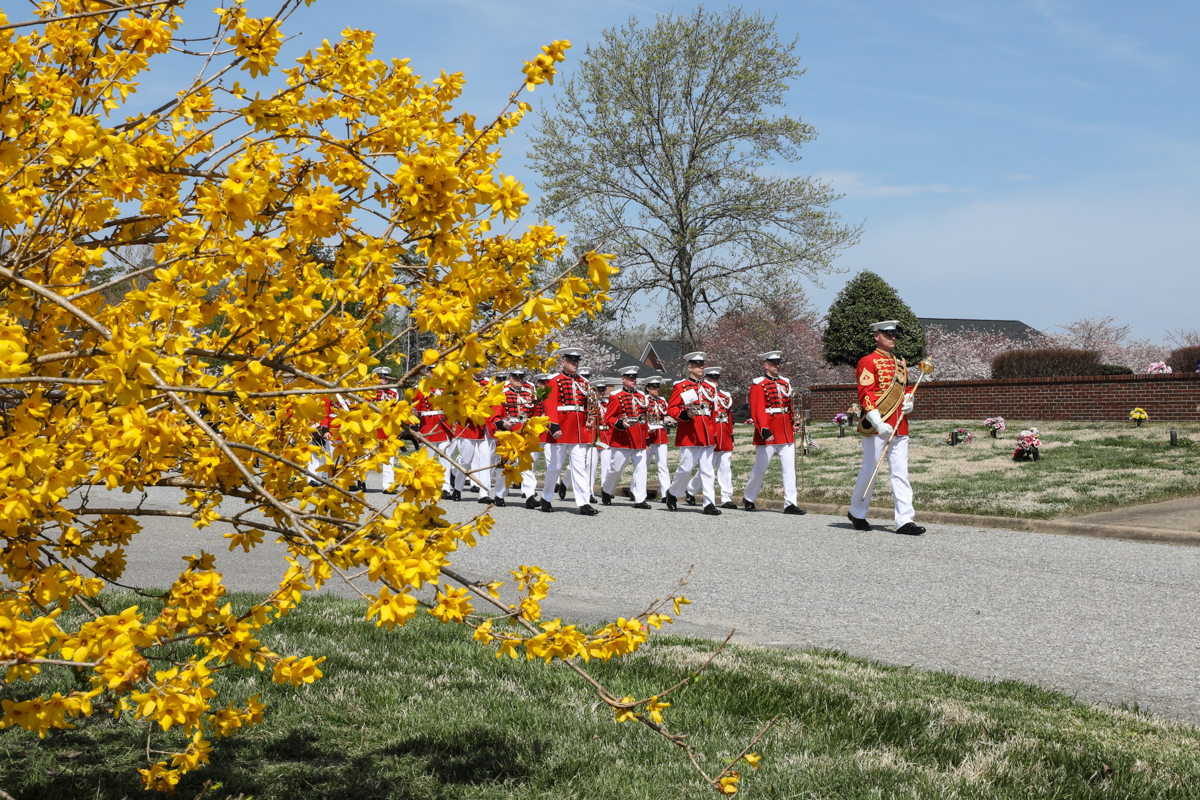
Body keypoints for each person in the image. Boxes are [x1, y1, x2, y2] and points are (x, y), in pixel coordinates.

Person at [847, 320, 925, 536]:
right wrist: (877, 422)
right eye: (887, 334)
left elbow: (907, 387)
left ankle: (904, 520)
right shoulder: (867, 361)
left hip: (900, 424)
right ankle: (857, 511)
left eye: (894, 334)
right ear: (876, 336)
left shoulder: (901, 362)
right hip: (876, 426)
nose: (892, 337)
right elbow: (866, 393)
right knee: (870, 470)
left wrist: (909, 400)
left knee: (901, 473)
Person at [742, 351, 805, 515]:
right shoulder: (758, 384)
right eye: (774, 363)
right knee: (761, 467)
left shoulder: (785, 383)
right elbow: (757, 409)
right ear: (766, 365)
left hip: (785, 431)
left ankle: (790, 503)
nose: (777, 366)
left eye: (778, 363)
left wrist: (793, 422)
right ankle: (749, 497)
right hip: (768, 430)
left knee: (789, 468)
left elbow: (788, 407)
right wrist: (764, 429)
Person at [539, 349, 599, 515]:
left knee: (580, 467)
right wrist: (553, 425)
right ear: (563, 362)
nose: (575, 363)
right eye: (572, 360)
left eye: (577, 360)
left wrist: (589, 417)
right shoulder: (555, 380)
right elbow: (549, 404)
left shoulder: (584, 383)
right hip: (561, 426)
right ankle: (546, 498)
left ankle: (583, 502)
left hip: (578, 429)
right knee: (555, 467)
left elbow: (588, 404)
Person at [665, 351, 720, 515]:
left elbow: (714, 412)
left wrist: (714, 433)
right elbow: (671, 408)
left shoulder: (709, 388)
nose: (701, 367)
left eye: (702, 365)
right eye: (697, 365)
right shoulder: (681, 386)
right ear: (690, 367)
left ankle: (709, 503)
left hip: (707, 434)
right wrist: (685, 415)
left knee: (708, 470)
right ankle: (673, 493)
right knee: (686, 467)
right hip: (690, 433)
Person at [601, 366, 651, 508]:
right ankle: (606, 490)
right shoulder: (616, 396)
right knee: (616, 469)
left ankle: (640, 499)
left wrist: (647, 439)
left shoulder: (641, 396)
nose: (633, 380)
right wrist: (620, 423)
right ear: (623, 379)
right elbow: (608, 418)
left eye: (634, 377)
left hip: (639, 439)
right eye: (630, 377)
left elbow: (644, 419)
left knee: (641, 470)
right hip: (623, 438)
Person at [687, 367, 736, 509]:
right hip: (710, 435)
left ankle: (726, 497)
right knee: (707, 468)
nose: (715, 381)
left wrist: (731, 435)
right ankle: (691, 490)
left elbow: (729, 416)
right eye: (711, 378)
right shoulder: (700, 393)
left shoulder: (725, 396)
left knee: (725, 468)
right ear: (705, 379)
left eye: (717, 378)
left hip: (724, 435)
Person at [490, 368, 538, 507]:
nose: (519, 380)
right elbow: (495, 417)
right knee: (506, 465)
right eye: (516, 377)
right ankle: (499, 495)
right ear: (509, 378)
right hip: (508, 435)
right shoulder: (503, 395)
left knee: (527, 465)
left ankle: (530, 496)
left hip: (525, 434)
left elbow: (534, 413)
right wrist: (503, 424)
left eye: (521, 377)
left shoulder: (529, 395)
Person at [411, 377, 456, 500]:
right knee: (428, 460)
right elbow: (415, 408)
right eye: (431, 372)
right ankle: (427, 485)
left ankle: (445, 488)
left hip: (443, 425)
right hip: (428, 426)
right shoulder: (421, 389)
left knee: (446, 459)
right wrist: (415, 429)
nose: (434, 375)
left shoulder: (446, 388)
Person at [450, 372, 490, 501]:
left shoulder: (488, 384)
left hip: (485, 427)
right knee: (466, 461)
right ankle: (457, 488)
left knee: (486, 461)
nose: (478, 370)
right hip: (469, 425)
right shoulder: (463, 383)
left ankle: (484, 493)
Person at [641, 376, 673, 502]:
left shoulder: (662, 401)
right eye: (654, 387)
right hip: (649, 435)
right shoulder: (644, 400)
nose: (657, 389)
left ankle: (666, 493)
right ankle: (636, 489)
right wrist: (646, 430)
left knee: (663, 465)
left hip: (661, 435)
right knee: (644, 465)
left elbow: (666, 414)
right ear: (648, 388)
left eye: (657, 387)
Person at [372, 367, 400, 494]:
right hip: (373, 428)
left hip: (388, 428)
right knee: (368, 457)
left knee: (390, 458)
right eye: (381, 376)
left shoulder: (393, 393)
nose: (384, 379)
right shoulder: (370, 391)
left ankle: (388, 486)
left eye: (386, 377)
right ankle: (360, 481)